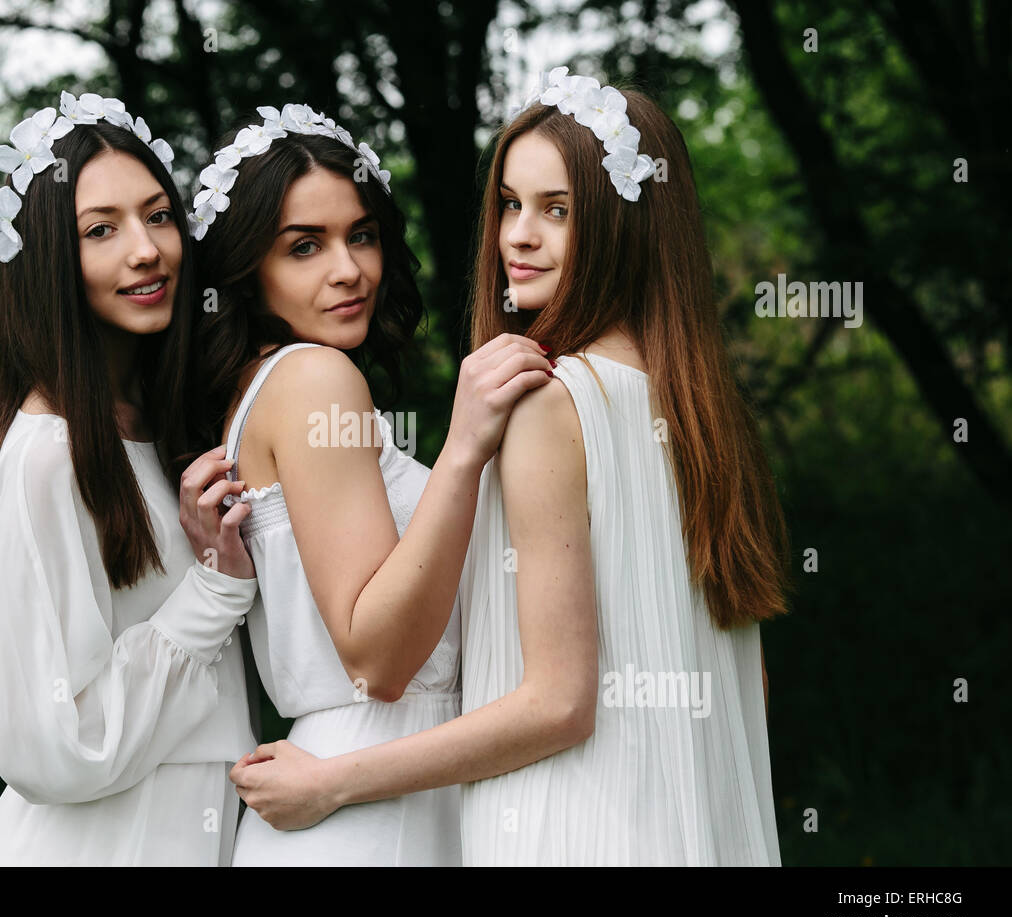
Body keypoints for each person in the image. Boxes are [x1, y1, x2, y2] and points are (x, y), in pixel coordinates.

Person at [230, 72, 788, 866]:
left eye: (558, 210)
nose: (518, 236)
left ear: (628, 227)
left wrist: (335, 781)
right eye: (510, 205)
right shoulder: (702, 416)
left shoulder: (547, 402)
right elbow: (744, 694)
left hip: (570, 825)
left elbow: (559, 703)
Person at [187, 104, 552, 865]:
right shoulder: (317, 380)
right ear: (248, 273)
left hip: (373, 789)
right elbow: (379, 661)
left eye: (360, 235)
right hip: (365, 810)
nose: (348, 269)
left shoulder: (265, 387)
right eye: (304, 247)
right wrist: (462, 451)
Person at [0, 92, 258, 865]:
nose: (147, 250)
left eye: (159, 216)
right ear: (50, 265)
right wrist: (214, 591)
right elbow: (54, 744)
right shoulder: (47, 454)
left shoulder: (165, 428)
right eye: (102, 230)